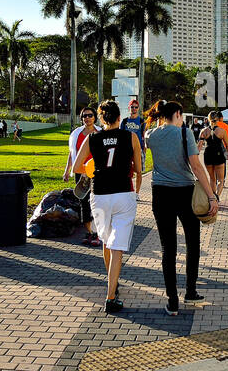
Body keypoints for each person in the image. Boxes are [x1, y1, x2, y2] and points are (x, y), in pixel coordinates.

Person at [145, 99, 217, 315]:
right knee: (192, 244)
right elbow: (196, 166)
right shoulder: (185, 133)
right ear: (178, 113)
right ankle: (191, 292)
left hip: (160, 193)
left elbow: (150, 132)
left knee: (169, 248)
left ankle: (172, 300)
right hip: (185, 192)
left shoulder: (151, 135)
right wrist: (212, 197)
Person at [71, 100, 143, 314]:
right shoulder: (130, 137)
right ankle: (111, 295)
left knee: (106, 241)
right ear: (119, 118)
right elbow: (139, 169)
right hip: (123, 192)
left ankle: (113, 285)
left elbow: (77, 166)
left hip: (100, 194)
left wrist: (92, 167)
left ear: (101, 119)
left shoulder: (93, 138)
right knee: (117, 245)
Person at [64, 106, 102, 248]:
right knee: (84, 202)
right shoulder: (76, 134)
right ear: (81, 119)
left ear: (95, 117)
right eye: (85, 116)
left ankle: (98, 232)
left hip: (97, 173)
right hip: (81, 173)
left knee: (97, 202)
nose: (87, 118)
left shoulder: (101, 132)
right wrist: (67, 170)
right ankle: (89, 232)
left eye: (90, 115)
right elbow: (72, 153)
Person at [200, 110, 228, 196]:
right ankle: (217, 197)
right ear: (217, 119)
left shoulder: (203, 131)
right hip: (218, 155)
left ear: (208, 119)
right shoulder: (222, 131)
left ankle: (212, 197)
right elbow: (227, 145)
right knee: (221, 180)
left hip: (208, 155)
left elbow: (199, 146)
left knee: (212, 178)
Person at [122, 99, 146, 170]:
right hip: (127, 149)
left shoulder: (142, 121)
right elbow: (121, 136)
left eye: (136, 107)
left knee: (139, 171)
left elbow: (144, 136)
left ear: (138, 108)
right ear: (129, 108)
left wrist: (144, 150)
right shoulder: (125, 121)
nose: (134, 109)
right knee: (127, 171)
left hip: (139, 149)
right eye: (132, 107)